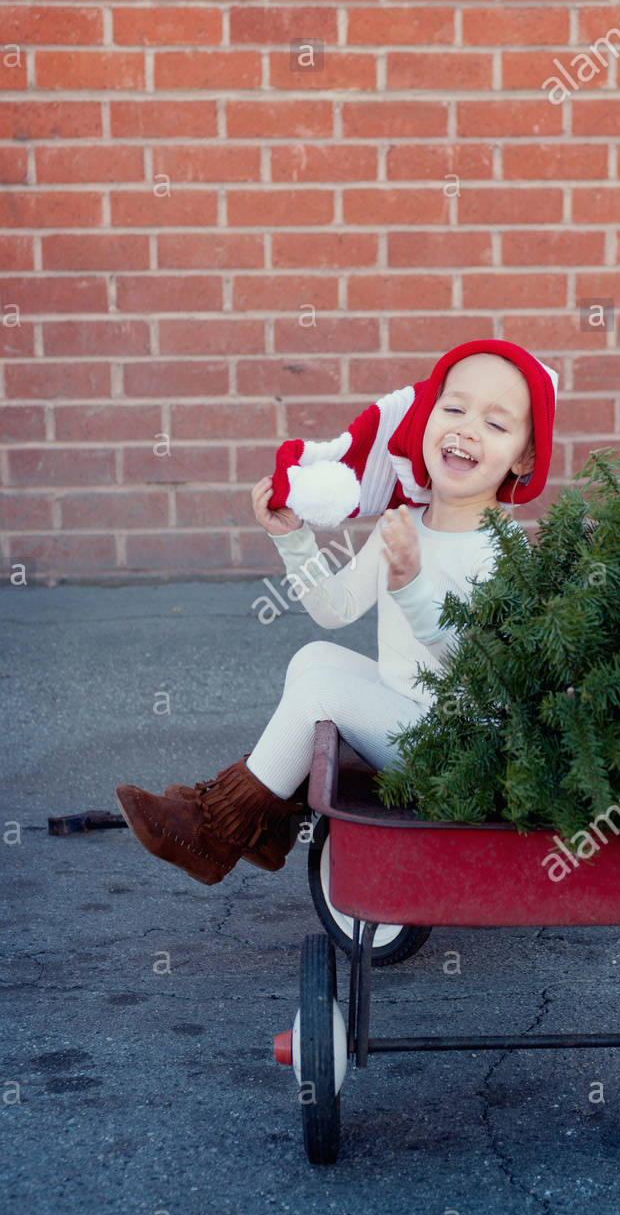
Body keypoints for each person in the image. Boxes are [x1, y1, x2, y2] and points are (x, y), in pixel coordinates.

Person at [115, 341, 558, 885]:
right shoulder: (405, 522)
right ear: (425, 418)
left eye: (495, 423)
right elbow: (335, 609)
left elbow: (480, 668)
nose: (466, 430)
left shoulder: (501, 548)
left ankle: (214, 833)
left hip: (460, 744)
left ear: (524, 457)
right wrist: (294, 540)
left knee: (321, 694)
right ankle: (273, 820)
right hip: (412, 710)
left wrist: (415, 587)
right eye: (455, 408)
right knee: (312, 658)